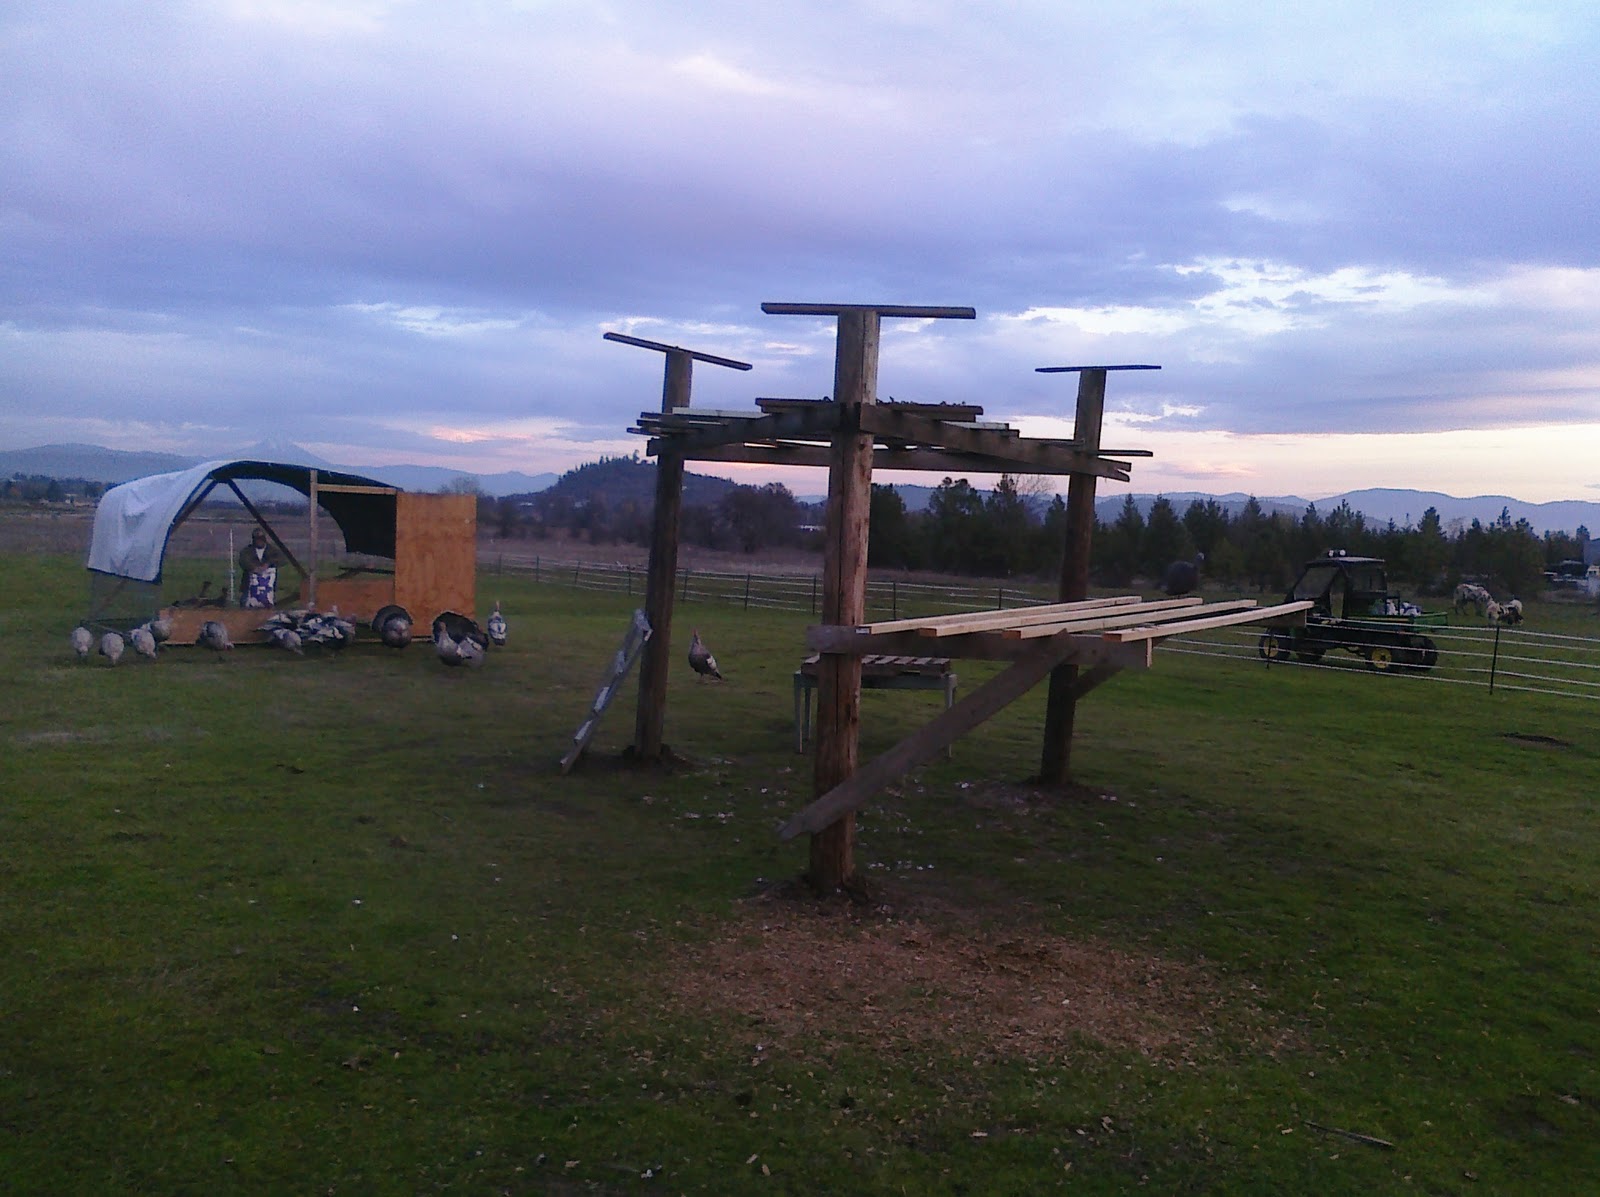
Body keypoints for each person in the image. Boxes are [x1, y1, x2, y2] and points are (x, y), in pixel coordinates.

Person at [238, 527, 283, 608]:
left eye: (261, 538)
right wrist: (254, 568)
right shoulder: (247, 551)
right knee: (245, 607)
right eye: (257, 538)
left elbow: (282, 559)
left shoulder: (272, 550)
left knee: (268, 606)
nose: (259, 541)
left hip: (268, 588)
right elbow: (242, 561)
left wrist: (268, 564)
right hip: (249, 586)